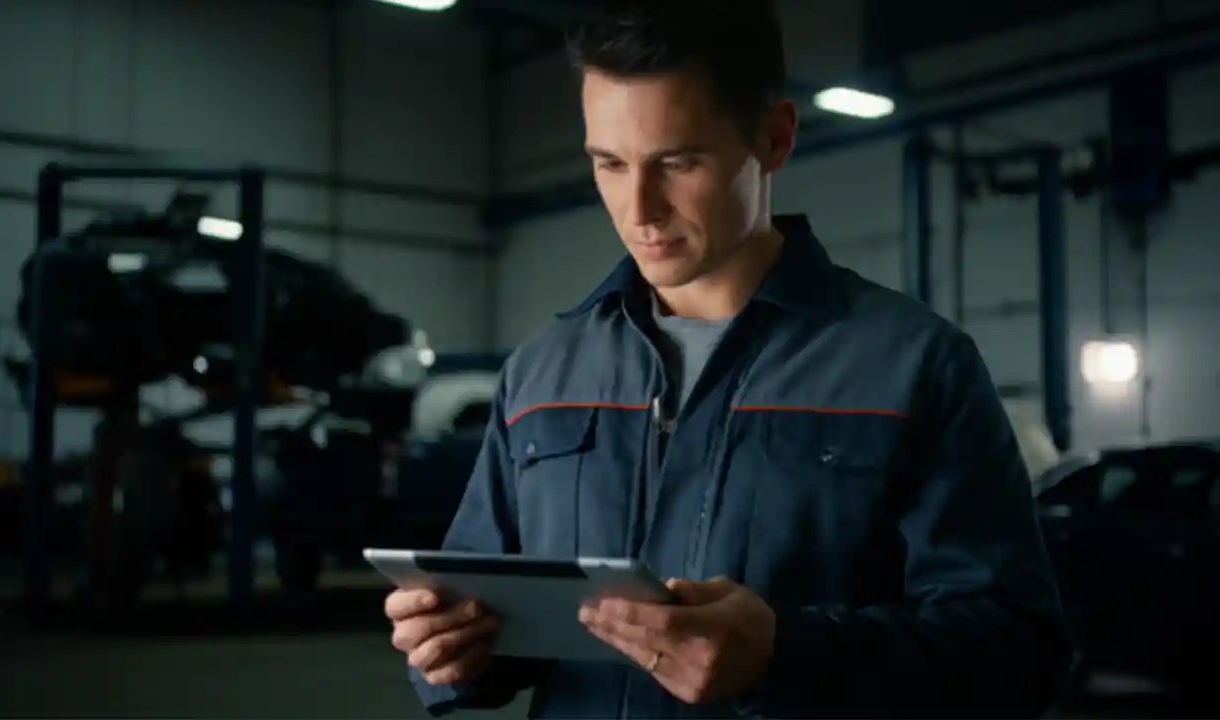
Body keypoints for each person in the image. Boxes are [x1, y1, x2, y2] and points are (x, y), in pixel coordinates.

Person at [384, 0, 1074, 717]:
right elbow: (478, 619)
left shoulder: (913, 367)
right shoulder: (540, 376)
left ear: (774, 138)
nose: (639, 209)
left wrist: (787, 654)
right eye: (610, 163)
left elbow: (1019, 655)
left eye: (677, 162)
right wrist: (452, 656)